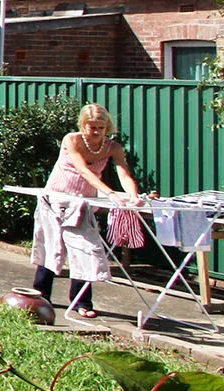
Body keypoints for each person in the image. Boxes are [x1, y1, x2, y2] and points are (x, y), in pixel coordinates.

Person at [32, 103, 143, 320]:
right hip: (57, 199)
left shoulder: (113, 147)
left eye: (101, 127)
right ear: (83, 125)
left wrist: (133, 196)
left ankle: (82, 301)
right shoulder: (71, 140)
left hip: (82, 204)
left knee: (84, 250)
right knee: (52, 248)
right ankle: (41, 296)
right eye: (92, 127)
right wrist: (110, 193)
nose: (96, 132)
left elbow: (124, 173)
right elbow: (82, 169)